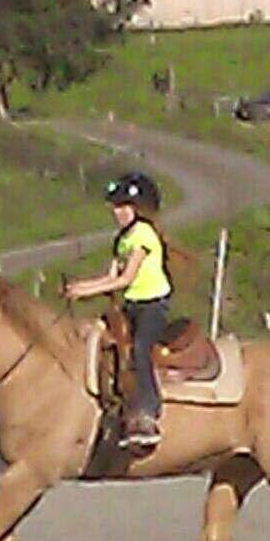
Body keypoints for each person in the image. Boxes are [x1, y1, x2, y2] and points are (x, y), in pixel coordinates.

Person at [64, 172, 172, 448]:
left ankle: (148, 412)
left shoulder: (144, 235)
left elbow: (125, 278)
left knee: (139, 349)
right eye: (116, 207)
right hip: (131, 305)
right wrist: (83, 288)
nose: (119, 213)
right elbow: (110, 276)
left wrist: (86, 289)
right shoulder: (121, 239)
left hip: (152, 306)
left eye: (125, 207)